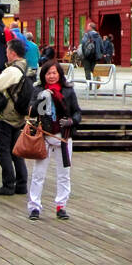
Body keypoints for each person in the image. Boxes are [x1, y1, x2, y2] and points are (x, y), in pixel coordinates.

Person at [26, 61, 82, 221]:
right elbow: (30, 109)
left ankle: (61, 206)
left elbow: (77, 112)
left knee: (64, 173)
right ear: (43, 75)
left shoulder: (68, 91)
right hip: (43, 135)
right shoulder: (38, 89)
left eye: (54, 73)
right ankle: (34, 206)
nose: (51, 76)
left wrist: (72, 121)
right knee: (38, 173)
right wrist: (41, 99)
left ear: (59, 74)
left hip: (63, 136)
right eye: (48, 73)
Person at [0, 37, 31, 196]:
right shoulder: (24, 67)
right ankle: (21, 184)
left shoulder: (12, 70)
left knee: (2, 150)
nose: (6, 55)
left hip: (7, 115)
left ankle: (8, 184)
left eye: (7, 52)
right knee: (16, 150)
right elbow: (12, 84)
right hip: (19, 114)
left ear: (12, 53)